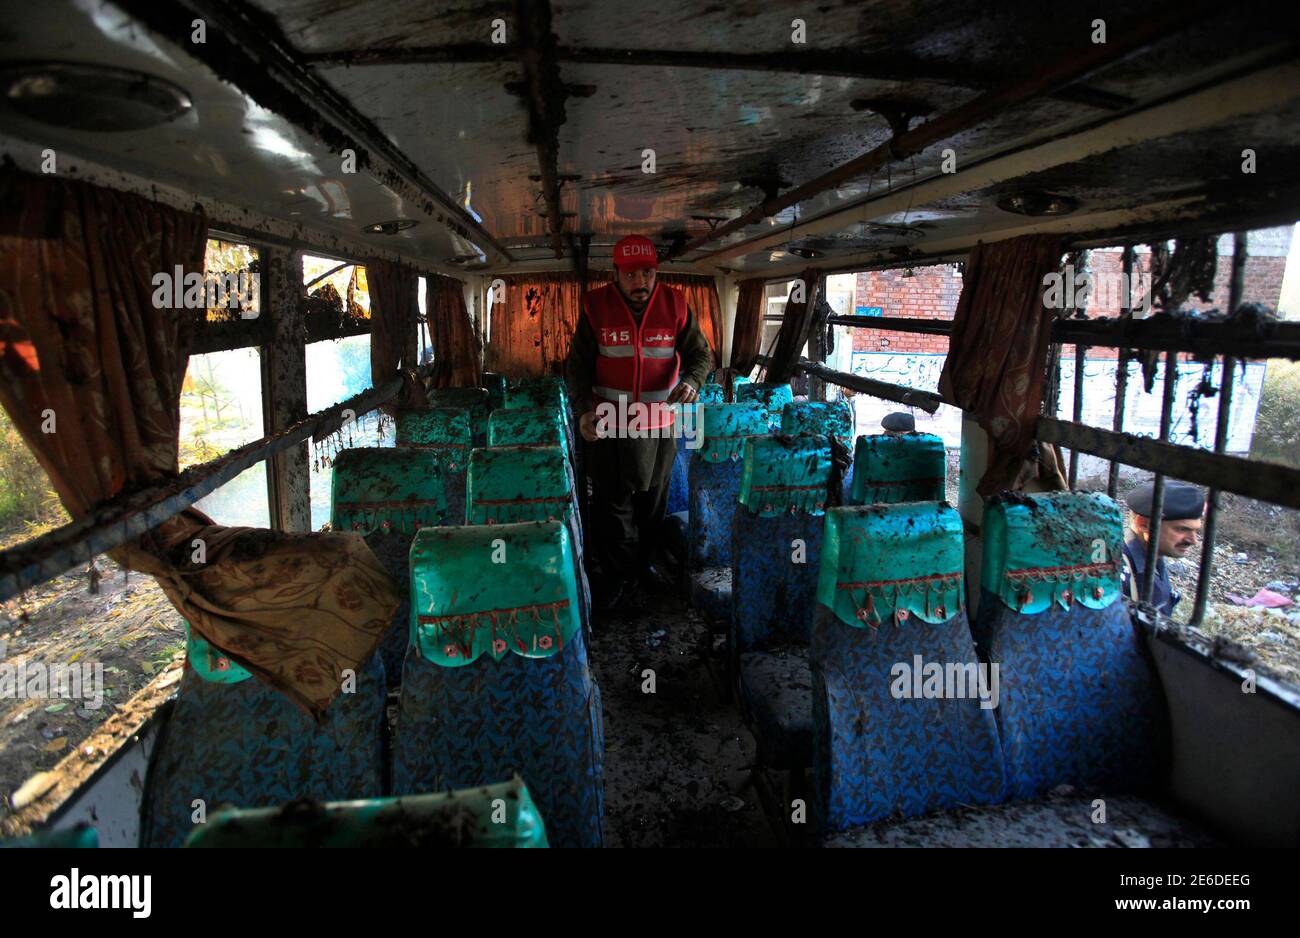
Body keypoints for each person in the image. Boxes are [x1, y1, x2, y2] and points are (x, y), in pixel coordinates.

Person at [566, 235, 714, 612]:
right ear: (616, 273)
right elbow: (578, 367)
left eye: (647, 272)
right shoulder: (595, 306)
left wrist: (693, 382)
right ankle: (620, 576)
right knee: (612, 506)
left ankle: (643, 565)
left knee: (653, 503)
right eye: (631, 274)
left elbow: (701, 355)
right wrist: (584, 410)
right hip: (608, 423)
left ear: (656, 272)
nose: (641, 282)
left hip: (658, 425)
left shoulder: (676, 305)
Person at [1120, 481, 1205, 617]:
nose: (1193, 541)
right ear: (1143, 524)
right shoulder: (1115, 573)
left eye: (1196, 531)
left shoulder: (1154, 559)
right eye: (1182, 529)